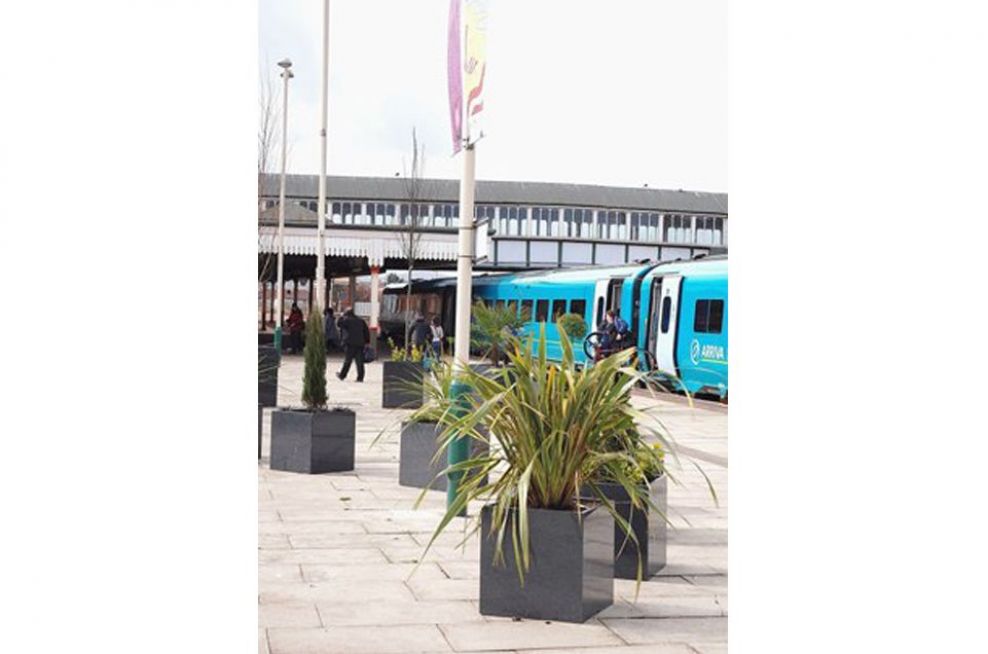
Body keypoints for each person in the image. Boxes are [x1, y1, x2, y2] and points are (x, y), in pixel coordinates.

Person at [336, 308, 370, 382]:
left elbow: (339, 324)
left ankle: (342, 375)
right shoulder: (361, 321)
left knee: (348, 360)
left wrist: (341, 316)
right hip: (360, 344)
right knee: (359, 361)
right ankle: (360, 377)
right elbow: (366, 332)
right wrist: (367, 341)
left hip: (350, 344)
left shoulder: (347, 320)